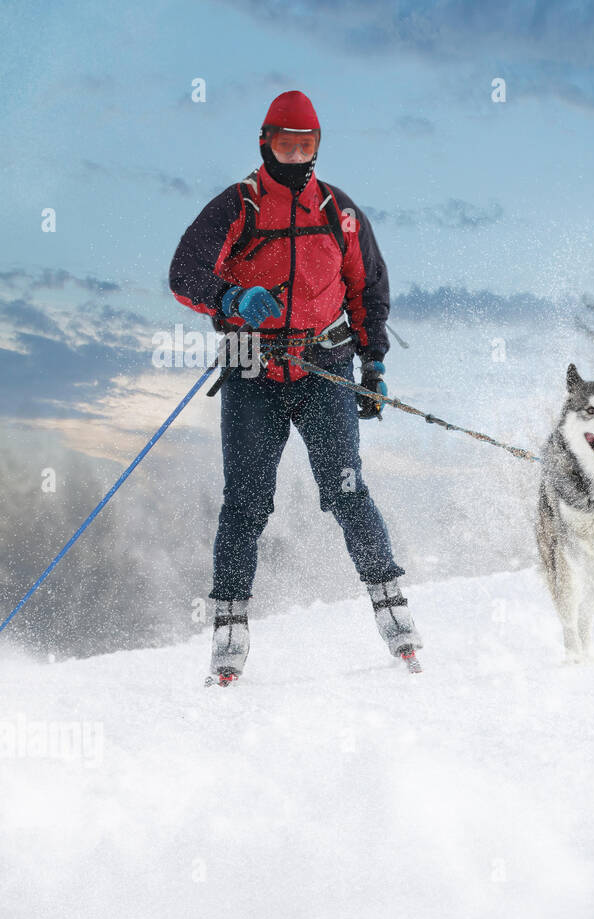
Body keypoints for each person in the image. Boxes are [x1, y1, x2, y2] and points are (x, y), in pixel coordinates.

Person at [169, 90, 422, 685]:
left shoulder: (340, 212)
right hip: (253, 369)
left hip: (323, 367)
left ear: (318, 147)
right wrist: (230, 298)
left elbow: (368, 290)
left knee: (346, 491)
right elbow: (185, 273)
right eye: (285, 145)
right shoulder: (238, 206)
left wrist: (374, 366)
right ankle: (229, 626)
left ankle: (392, 605)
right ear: (265, 143)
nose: (295, 156)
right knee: (247, 503)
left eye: (306, 146)